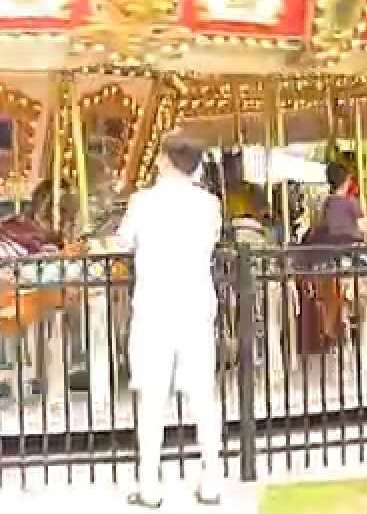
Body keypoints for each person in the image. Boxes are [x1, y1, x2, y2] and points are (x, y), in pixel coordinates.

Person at [116, 135, 224, 508]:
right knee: (202, 396)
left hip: (155, 306)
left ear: (164, 160)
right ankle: (211, 480)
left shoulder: (143, 203)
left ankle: (150, 485)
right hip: (194, 304)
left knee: (152, 397)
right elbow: (211, 242)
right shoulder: (209, 205)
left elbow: (124, 240)